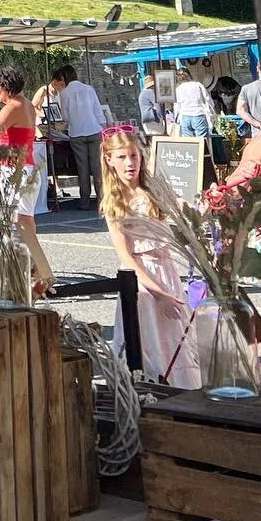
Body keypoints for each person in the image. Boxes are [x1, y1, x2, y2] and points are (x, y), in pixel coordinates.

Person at [100, 127, 199, 387]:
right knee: (148, 342)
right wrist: (159, 294)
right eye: (121, 157)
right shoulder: (115, 202)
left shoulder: (153, 190)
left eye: (134, 155)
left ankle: (182, 391)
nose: (130, 163)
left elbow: (183, 208)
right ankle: (147, 391)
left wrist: (201, 207)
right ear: (109, 160)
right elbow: (127, 256)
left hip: (165, 270)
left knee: (175, 340)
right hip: (142, 282)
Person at [0, 67, 54, 294]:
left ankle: (39, 273)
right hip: (24, 167)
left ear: (5, 86)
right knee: (24, 221)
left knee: (22, 223)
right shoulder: (25, 104)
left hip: (17, 170)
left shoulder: (14, 106)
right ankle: (30, 268)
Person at [51, 64, 105, 209]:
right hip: (94, 130)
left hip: (76, 133)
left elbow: (65, 116)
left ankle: (85, 201)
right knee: (97, 168)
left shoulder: (64, 93)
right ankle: (102, 200)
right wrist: (104, 125)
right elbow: (98, 110)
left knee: (83, 168)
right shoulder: (89, 89)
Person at [172, 68, 213, 139]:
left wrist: (176, 118)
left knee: (191, 143)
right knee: (202, 142)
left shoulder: (178, 89)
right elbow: (208, 100)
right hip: (198, 114)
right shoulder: (198, 85)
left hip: (185, 116)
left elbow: (177, 107)